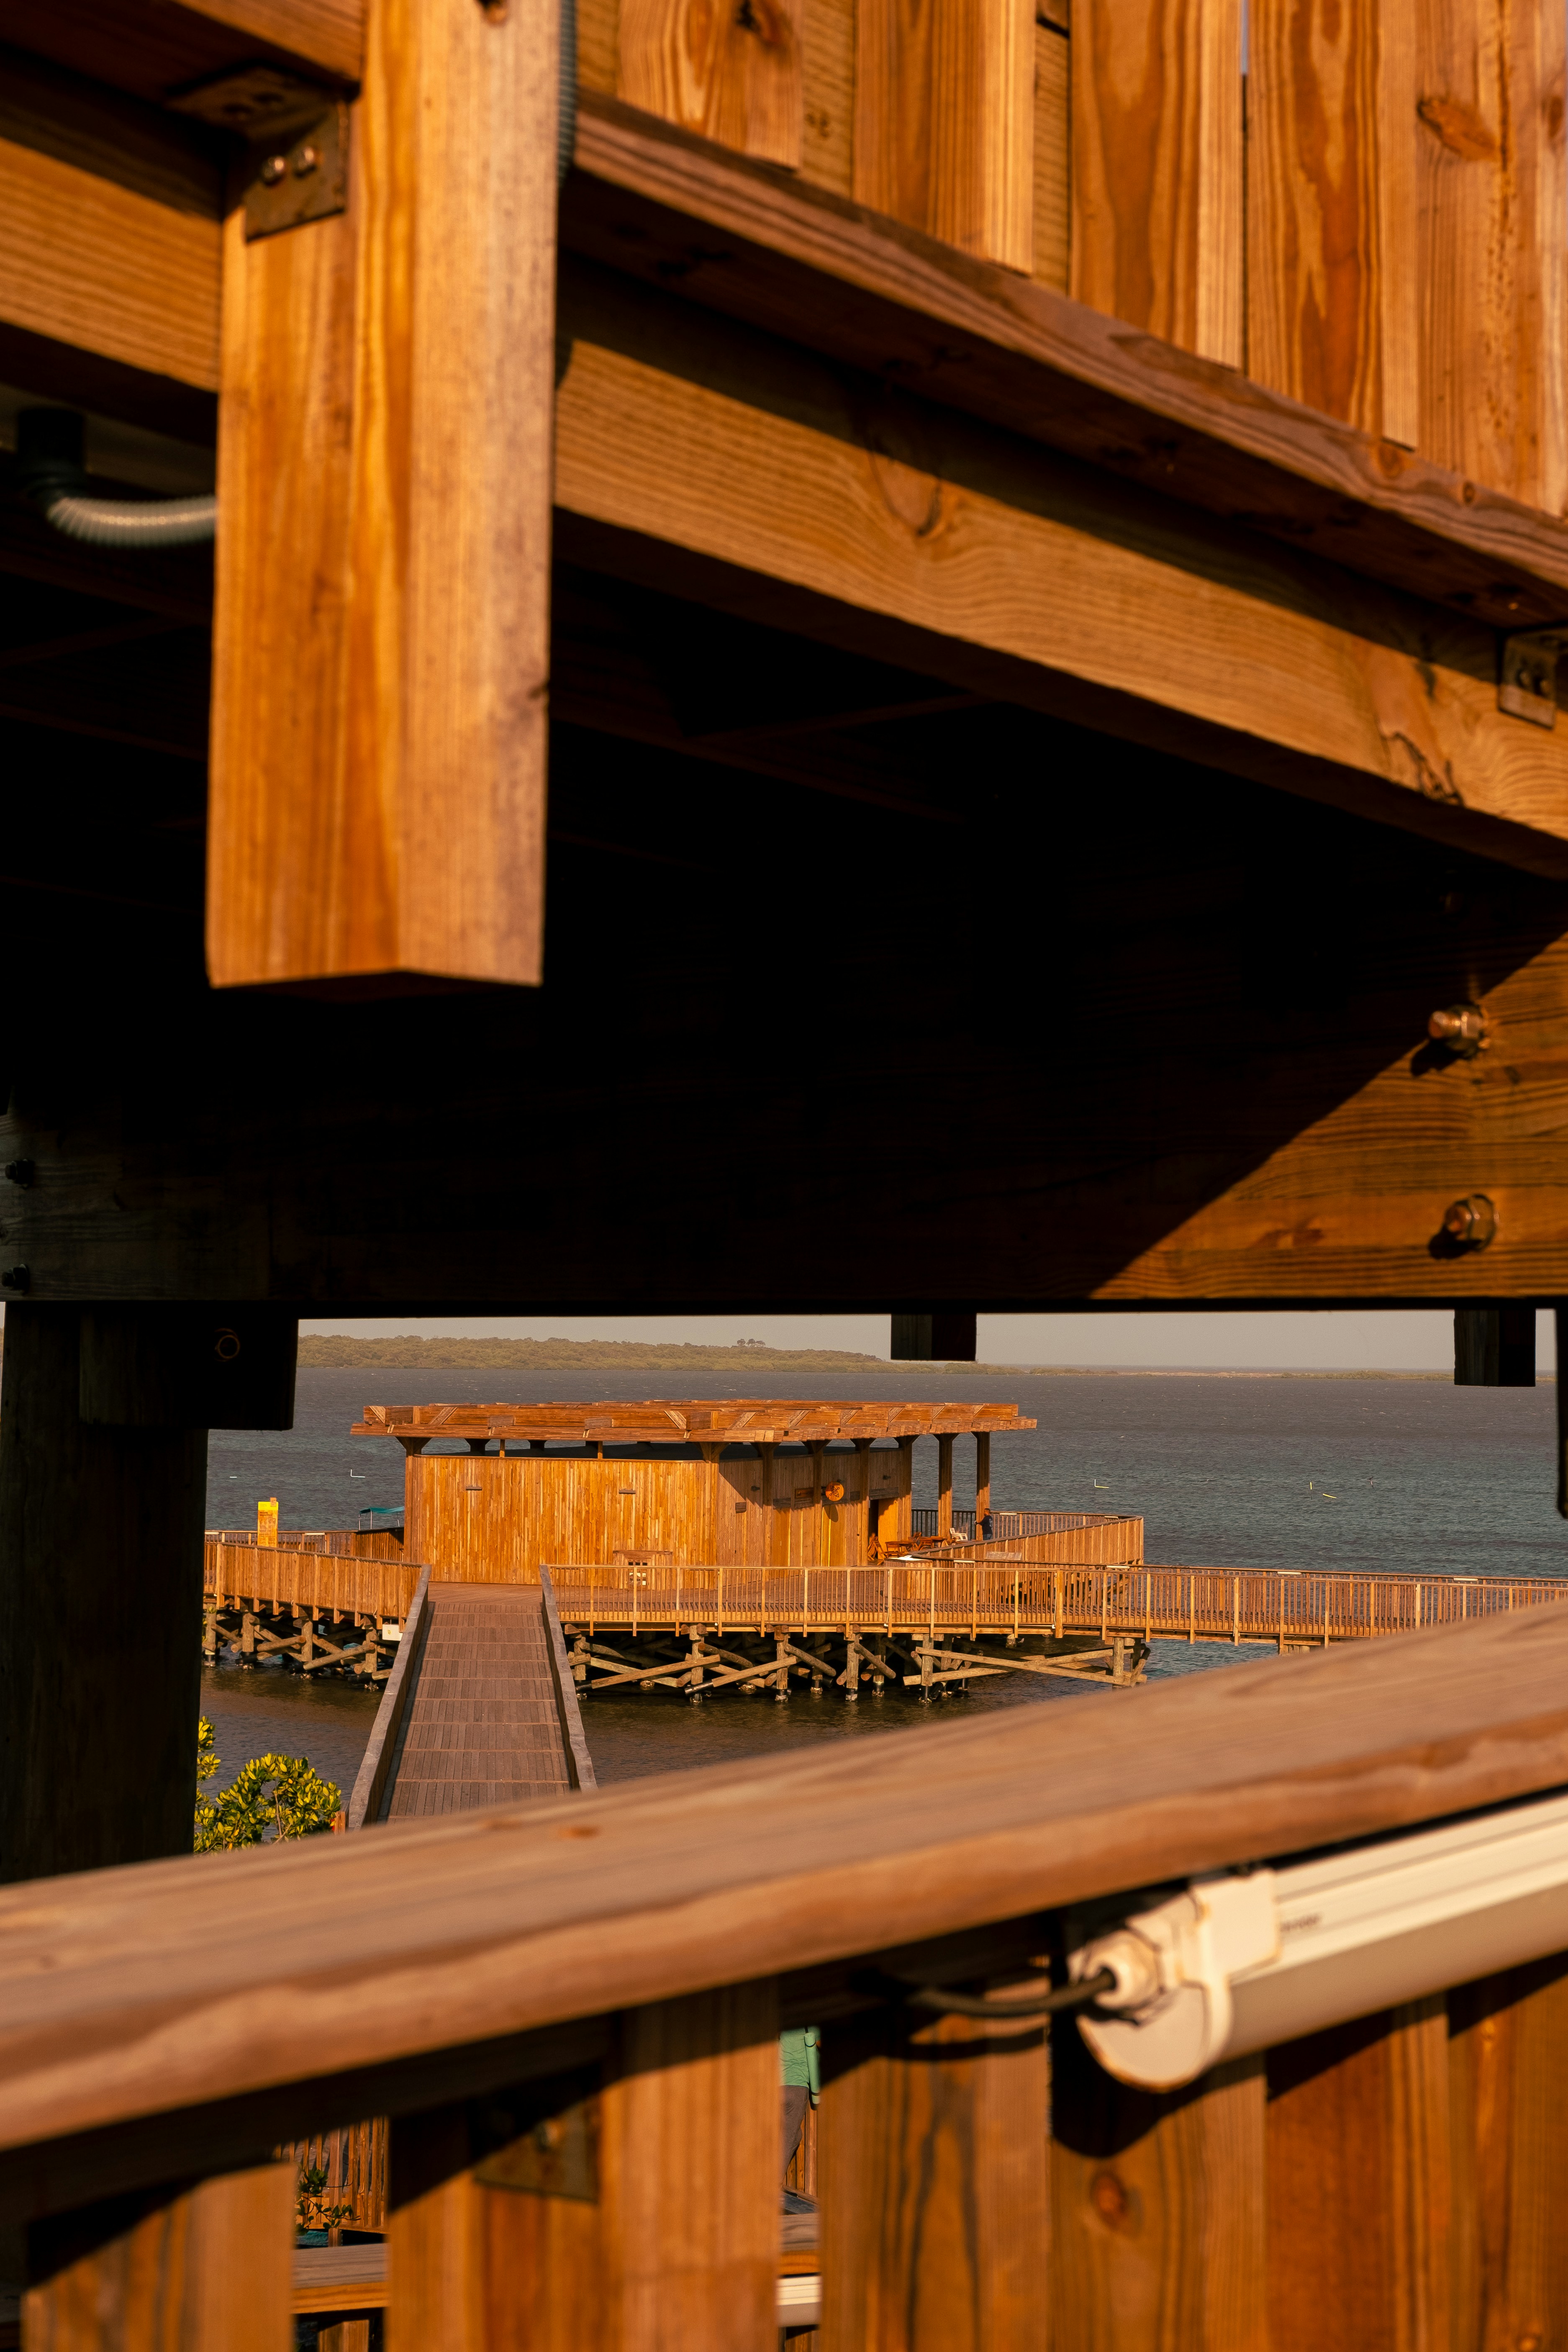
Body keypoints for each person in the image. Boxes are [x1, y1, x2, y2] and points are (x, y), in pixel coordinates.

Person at [779, 2025, 820, 2213]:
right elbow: (815, 2046)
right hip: (797, 2086)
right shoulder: (810, 2023)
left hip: (778, 2084)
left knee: (795, 2136)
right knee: (788, 2139)